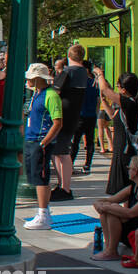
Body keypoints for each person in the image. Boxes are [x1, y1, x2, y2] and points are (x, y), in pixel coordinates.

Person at [22, 63, 62, 230]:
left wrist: (43, 142)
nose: (28, 81)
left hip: (40, 141)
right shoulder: (37, 94)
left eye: (31, 78)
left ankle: (43, 213)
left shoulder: (51, 95)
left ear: (38, 79)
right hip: (32, 140)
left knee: (41, 178)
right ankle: (43, 211)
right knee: (37, 177)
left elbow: (57, 122)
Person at [95, 67, 138, 196]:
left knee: (125, 185)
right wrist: (104, 101)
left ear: (124, 89)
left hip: (125, 148)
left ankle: (127, 211)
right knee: (122, 185)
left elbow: (105, 89)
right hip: (120, 147)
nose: (116, 89)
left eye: (118, 86)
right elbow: (113, 117)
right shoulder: (127, 104)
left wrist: (99, 73)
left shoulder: (130, 103)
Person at [49, 44, 87, 200]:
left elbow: (54, 91)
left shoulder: (68, 72)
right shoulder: (84, 72)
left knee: (61, 153)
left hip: (62, 116)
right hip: (74, 115)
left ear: (68, 55)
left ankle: (64, 188)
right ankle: (63, 186)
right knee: (59, 152)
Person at [91, 159, 138, 261]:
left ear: (135, 171)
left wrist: (106, 207)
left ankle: (112, 251)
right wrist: (98, 203)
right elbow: (110, 199)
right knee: (109, 208)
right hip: (130, 229)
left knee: (112, 209)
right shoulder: (132, 188)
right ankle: (109, 248)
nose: (128, 171)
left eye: (129, 168)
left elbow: (131, 213)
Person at [70, 60, 101, 175]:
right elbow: (98, 101)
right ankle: (87, 164)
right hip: (91, 116)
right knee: (89, 142)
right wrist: (96, 113)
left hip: (80, 116)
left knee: (75, 141)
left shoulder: (79, 83)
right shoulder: (95, 83)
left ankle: (71, 163)